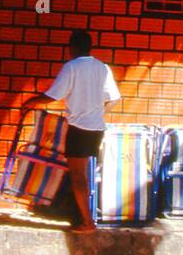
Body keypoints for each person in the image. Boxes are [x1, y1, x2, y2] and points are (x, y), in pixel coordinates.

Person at [21, 29, 121, 233]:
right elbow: (115, 98)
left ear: (72, 48)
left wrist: (32, 102)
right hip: (96, 129)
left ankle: (87, 222)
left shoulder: (72, 67)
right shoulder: (102, 68)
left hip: (79, 128)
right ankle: (78, 215)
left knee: (78, 177)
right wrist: (97, 113)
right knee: (83, 175)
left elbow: (54, 95)